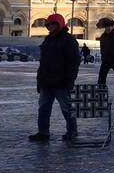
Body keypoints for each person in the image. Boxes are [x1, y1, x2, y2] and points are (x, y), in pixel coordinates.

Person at [29, 12, 80, 142]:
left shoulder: (68, 40)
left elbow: (74, 62)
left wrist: (69, 81)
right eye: (48, 25)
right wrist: (39, 81)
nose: (50, 27)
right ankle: (43, 132)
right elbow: (43, 62)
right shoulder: (48, 39)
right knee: (43, 108)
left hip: (61, 82)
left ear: (59, 25)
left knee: (66, 108)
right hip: (46, 81)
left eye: (52, 25)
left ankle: (72, 131)